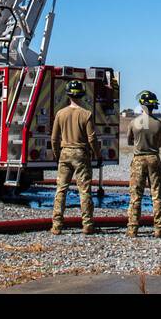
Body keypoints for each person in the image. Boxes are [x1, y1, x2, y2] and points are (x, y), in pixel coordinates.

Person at [49, 79, 98, 235]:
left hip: (65, 153)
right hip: (81, 154)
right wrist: (97, 154)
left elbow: (54, 139)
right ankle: (87, 224)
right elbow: (92, 138)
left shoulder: (60, 114)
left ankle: (57, 225)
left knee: (61, 190)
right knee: (84, 190)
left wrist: (58, 155)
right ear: (82, 95)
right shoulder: (86, 114)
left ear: (68, 95)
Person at [126, 90, 161, 238]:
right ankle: (159, 229)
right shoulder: (159, 124)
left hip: (138, 159)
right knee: (157, 195)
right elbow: (160, 143)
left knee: (136, 196)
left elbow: (129, 141)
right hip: (154, 158)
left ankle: (132, 229)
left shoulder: (133, 123)